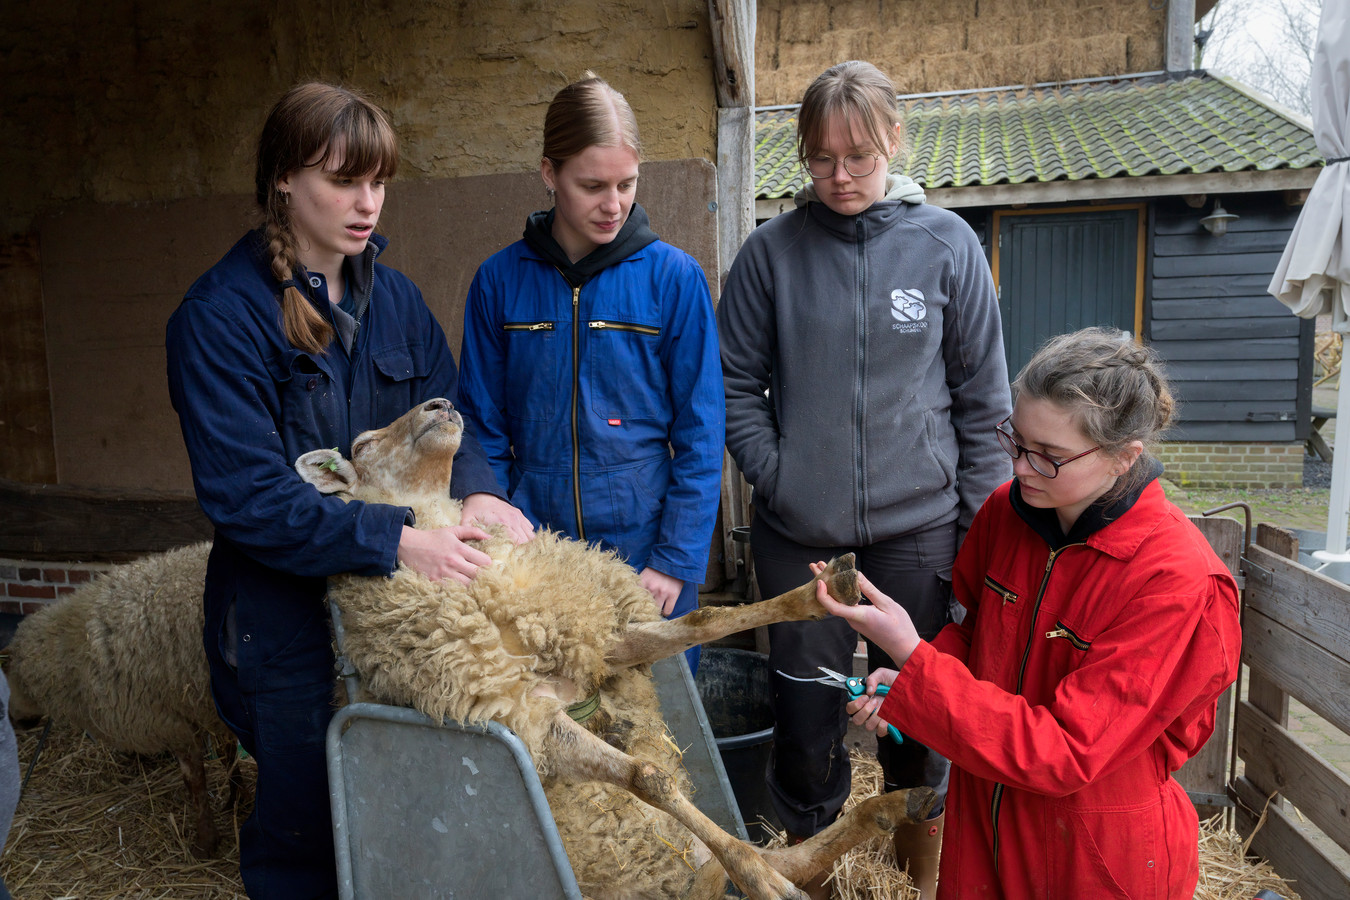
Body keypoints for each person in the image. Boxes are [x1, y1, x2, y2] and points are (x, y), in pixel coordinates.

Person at [165, 82, 531, 900]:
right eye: (343, 181)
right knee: (306, 838)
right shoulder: (219, 318)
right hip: (281, 624)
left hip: (394, 616)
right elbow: (249, 496)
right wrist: (397, 540)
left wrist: (475, 490)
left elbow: (445, 411)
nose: (366, 204)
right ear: (285, 182)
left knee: (402, 817)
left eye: (378, 182)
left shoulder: (391, 299)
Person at [716, 60, 1010, 897]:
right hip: (800, 536)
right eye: (820, 159)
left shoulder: (947, 246)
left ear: (895, 144)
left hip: (918, 531)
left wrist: (973, 530)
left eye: (860, 157)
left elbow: (983, 400)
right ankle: (817, 870)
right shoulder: (769, 255)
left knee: (916, 710)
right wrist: (779, 479)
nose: (840, 177)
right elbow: (736, 387)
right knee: (806, 715)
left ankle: (918, 867)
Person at [816, 327, 1243, 899]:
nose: (1020, 468)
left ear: (1125, 456)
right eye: (1016, 442)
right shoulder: (1007, 514)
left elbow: (1066, 751)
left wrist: (914, 657)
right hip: (983, 819)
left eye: (1050, 457)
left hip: (1091, 849)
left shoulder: (1174, 579)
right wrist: (909, 686)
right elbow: (975, 637)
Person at [456, 73, 724, 673]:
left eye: (627, 184)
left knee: (658, 733)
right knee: (554, 731)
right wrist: (495, 538)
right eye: (592, 185)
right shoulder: (498, 282)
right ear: (549, 174)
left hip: (646, 557)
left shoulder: (674, 280)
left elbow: (702, 436)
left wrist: (676, 560)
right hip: (535, 555)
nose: (614, 204)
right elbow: (481, 423)